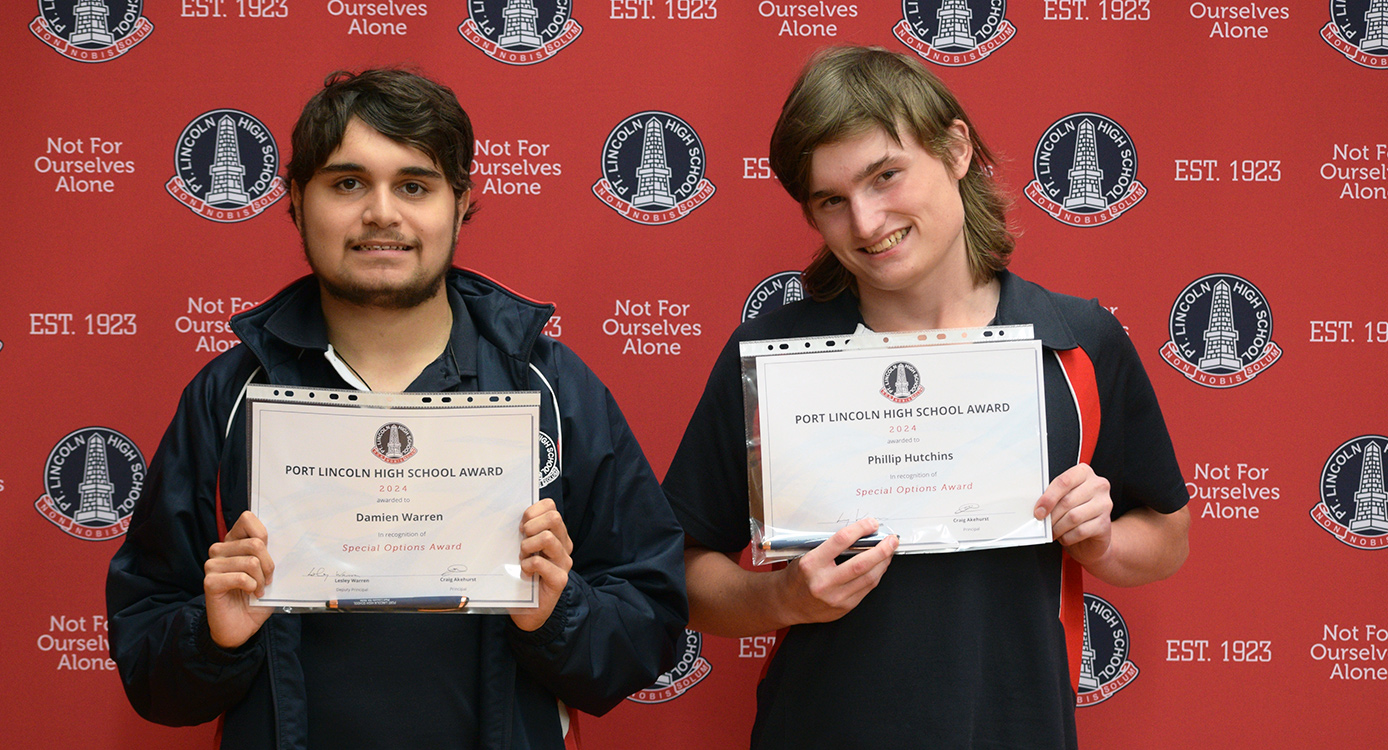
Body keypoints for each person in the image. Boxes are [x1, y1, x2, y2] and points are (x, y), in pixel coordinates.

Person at [107, 68, 688, 750]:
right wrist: (213, 637)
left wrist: (559, 614)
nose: (382, 213)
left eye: (414, 186)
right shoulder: (229, 397)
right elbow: (148, 661)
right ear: (295, 201)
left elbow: (649, 625)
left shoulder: (551, 389)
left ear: (461, 203)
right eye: (347, 184)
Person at [663, 47, 1189, 749]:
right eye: (831, 201)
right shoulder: (774, 358)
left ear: (956, 148)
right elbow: (680, 571)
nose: (866, 222)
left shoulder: (1076, 341)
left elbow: (1168, 536)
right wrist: (779, 598)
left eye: (885, 176)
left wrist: (1104, 541)